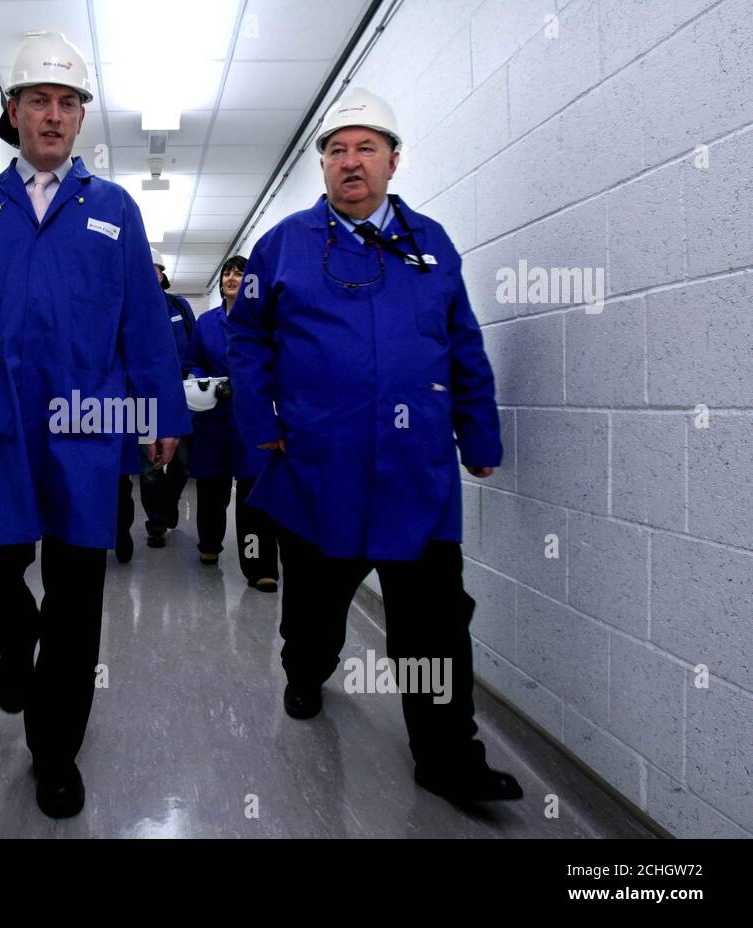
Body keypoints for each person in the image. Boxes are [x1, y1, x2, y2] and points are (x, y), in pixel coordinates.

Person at [0, 31, 189, 818]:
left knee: (77, 592)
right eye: (38, 101)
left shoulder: (113, 210)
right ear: (13, 110)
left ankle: (54, 751)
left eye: (67, 103)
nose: (53, 116)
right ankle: (13, 639)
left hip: (87, 423)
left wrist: (160, 411)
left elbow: (145, 326)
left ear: (81, 116)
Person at [226, 87, 522, 804]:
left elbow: (463, 345)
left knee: (433, 624)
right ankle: (305, 669)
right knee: (315, 609)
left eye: (366, 148)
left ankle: (448, 755)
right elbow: (247, 335)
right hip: (318, 468)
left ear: (393, 160)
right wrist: (262, 424)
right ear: (321, 165)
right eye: (336, 150)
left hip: (415, 473)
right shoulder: (283, 245)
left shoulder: (432, 245)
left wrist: (478, 431)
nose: (350, 162)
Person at [185, 255, 279, 591]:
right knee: (212, 491)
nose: (232, 277)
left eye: (240, 273)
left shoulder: (264, 319)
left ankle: (259, 566)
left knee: (253, 497)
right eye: (227, 272)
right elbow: (193, 361)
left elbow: (279, 363)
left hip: (253, 421)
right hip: (214, 419)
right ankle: (209, 545)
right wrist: (202, 381)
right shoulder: (206, 323)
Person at [137, 249, 195, 549]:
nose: (150, 275)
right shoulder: (132, 309)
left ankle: (169, 507)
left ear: (163, 275)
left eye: (155, 270)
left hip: (180, 395)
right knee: (150, 469)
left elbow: (195, 347)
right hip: (144, 400)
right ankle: (156, 522)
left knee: (182, 463)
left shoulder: (178, 306)